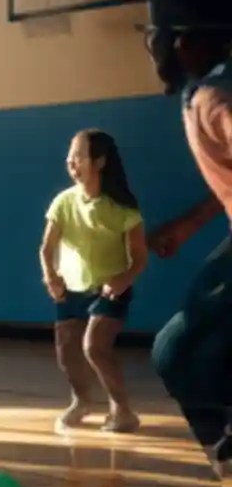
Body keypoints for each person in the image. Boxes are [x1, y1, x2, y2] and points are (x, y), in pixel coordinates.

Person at [142, 0, 232, 479]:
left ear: (183, 40)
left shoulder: (216, 98)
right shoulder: (208, 89)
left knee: (181, 352)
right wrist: (193, 222)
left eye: (153, 33)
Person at [39, 130, 147, 433]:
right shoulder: (62, 202)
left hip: (109, 290)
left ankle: (123, 410)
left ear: (99, 162)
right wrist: (51, 277)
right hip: (70, 290)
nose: (71, 162)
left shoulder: (123, 209)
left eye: (79, 156)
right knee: (67, 351)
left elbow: (139, 257)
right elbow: (46, 249)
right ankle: (81, 401)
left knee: (95, 347)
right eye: (70, 156)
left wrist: (123, 279)